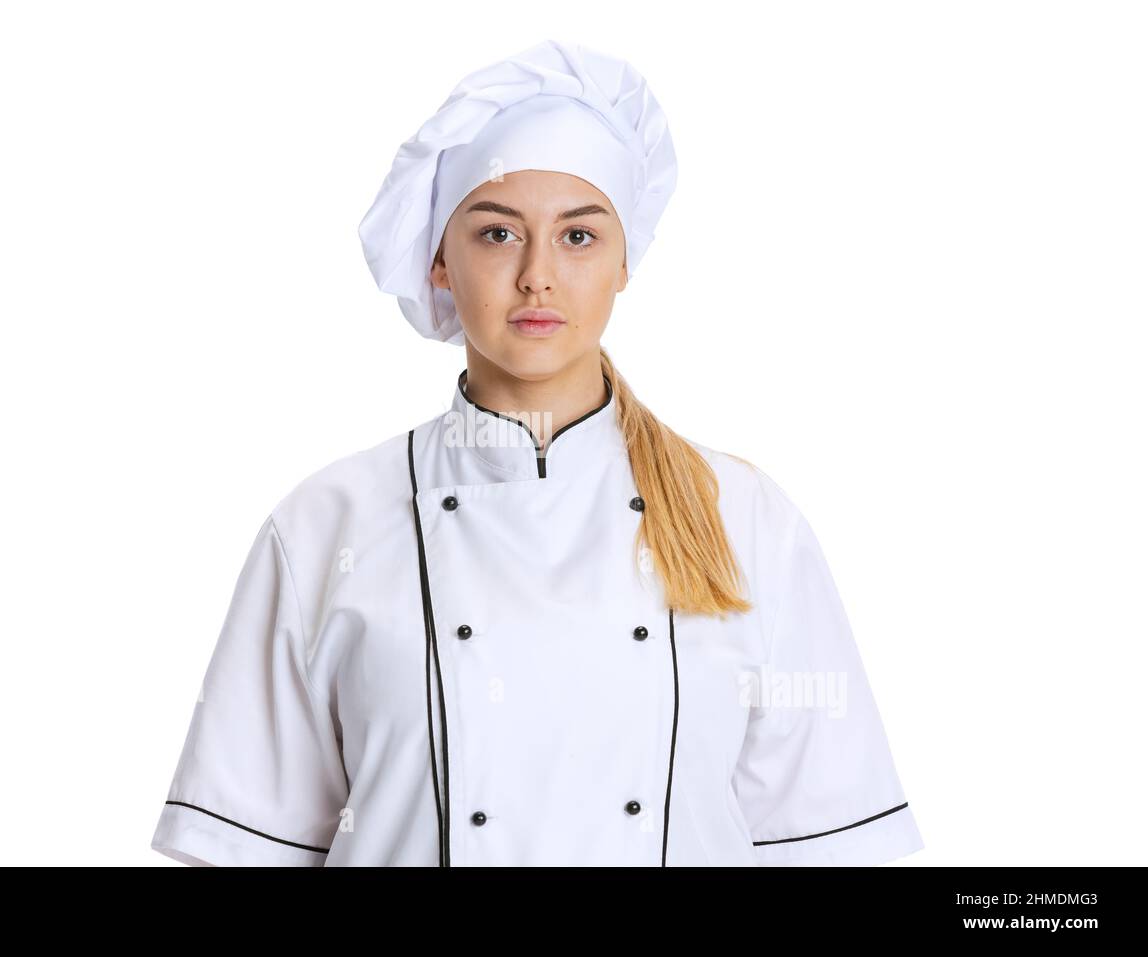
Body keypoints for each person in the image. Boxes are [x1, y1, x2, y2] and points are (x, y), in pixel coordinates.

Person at [149, 38, 924, 867]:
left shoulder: (745, 520)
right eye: (496, 234)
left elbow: (830, 848)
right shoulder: (323, 525)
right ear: (440, 263)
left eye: (580, 236)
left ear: (627, 259)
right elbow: (239, 852)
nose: (537, 277)